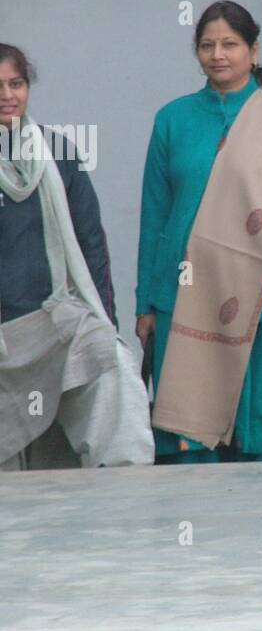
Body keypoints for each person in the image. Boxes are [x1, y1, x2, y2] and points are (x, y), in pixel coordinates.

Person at [135, 1, 262, 463]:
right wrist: (145, 303)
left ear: (253, 50)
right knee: (190, 437)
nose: (218, 54)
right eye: (207, 45)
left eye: (230, 43)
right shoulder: (173, 119)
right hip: (184, 293)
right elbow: (155, 216)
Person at [0, 44, 153, 470]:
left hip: (56, 318)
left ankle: (126, 495)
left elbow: (90, 242)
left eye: (16, 84)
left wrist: (106, 319)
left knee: (113, 363)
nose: (7, 95)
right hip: (3, 332)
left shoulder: (57, 153)